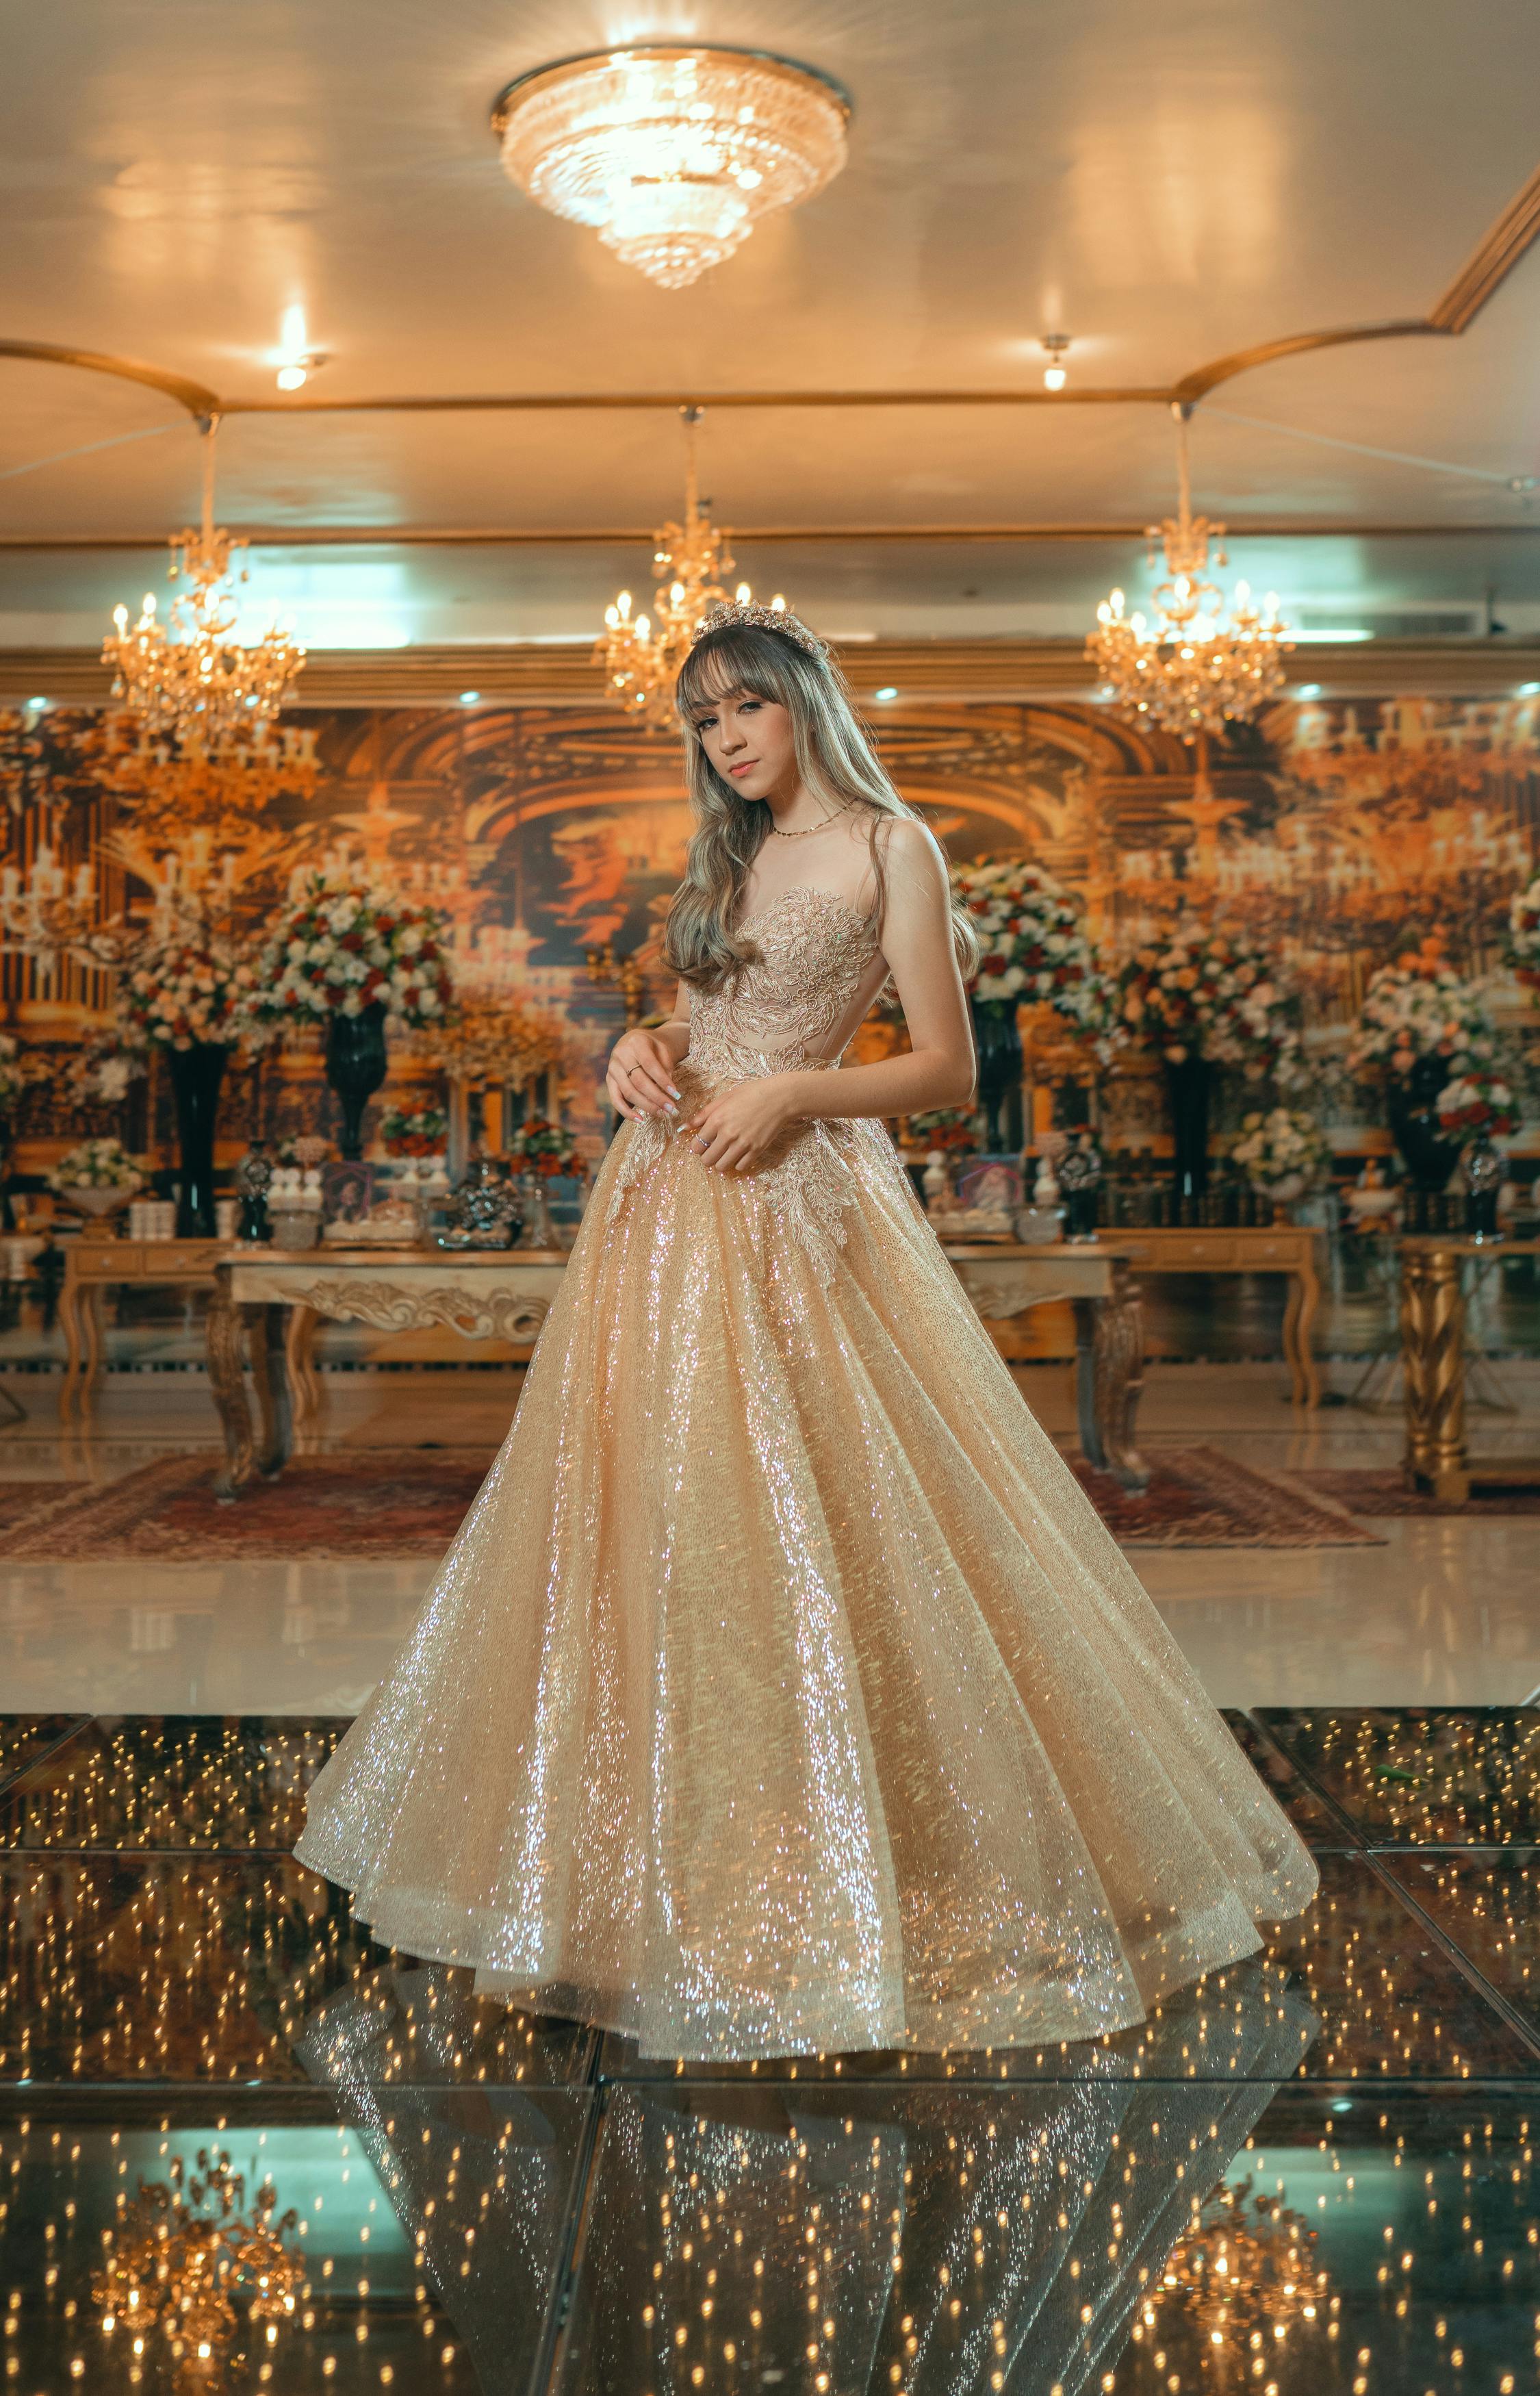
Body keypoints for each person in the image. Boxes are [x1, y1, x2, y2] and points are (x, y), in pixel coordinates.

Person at [297, 600, 1316, 2062]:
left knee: (808, 1512)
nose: (723, 739)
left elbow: (945, 1064)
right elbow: (698, 1015)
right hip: (659, 1210)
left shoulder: (895, 845)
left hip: (793, 1203)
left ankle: (839, 1865)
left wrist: (793, 1094)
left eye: (742, 709)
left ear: (802, 701)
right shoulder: (738, 852)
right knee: (650, 1517)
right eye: (702, 720)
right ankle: (634, 1873)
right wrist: (633, 1044)